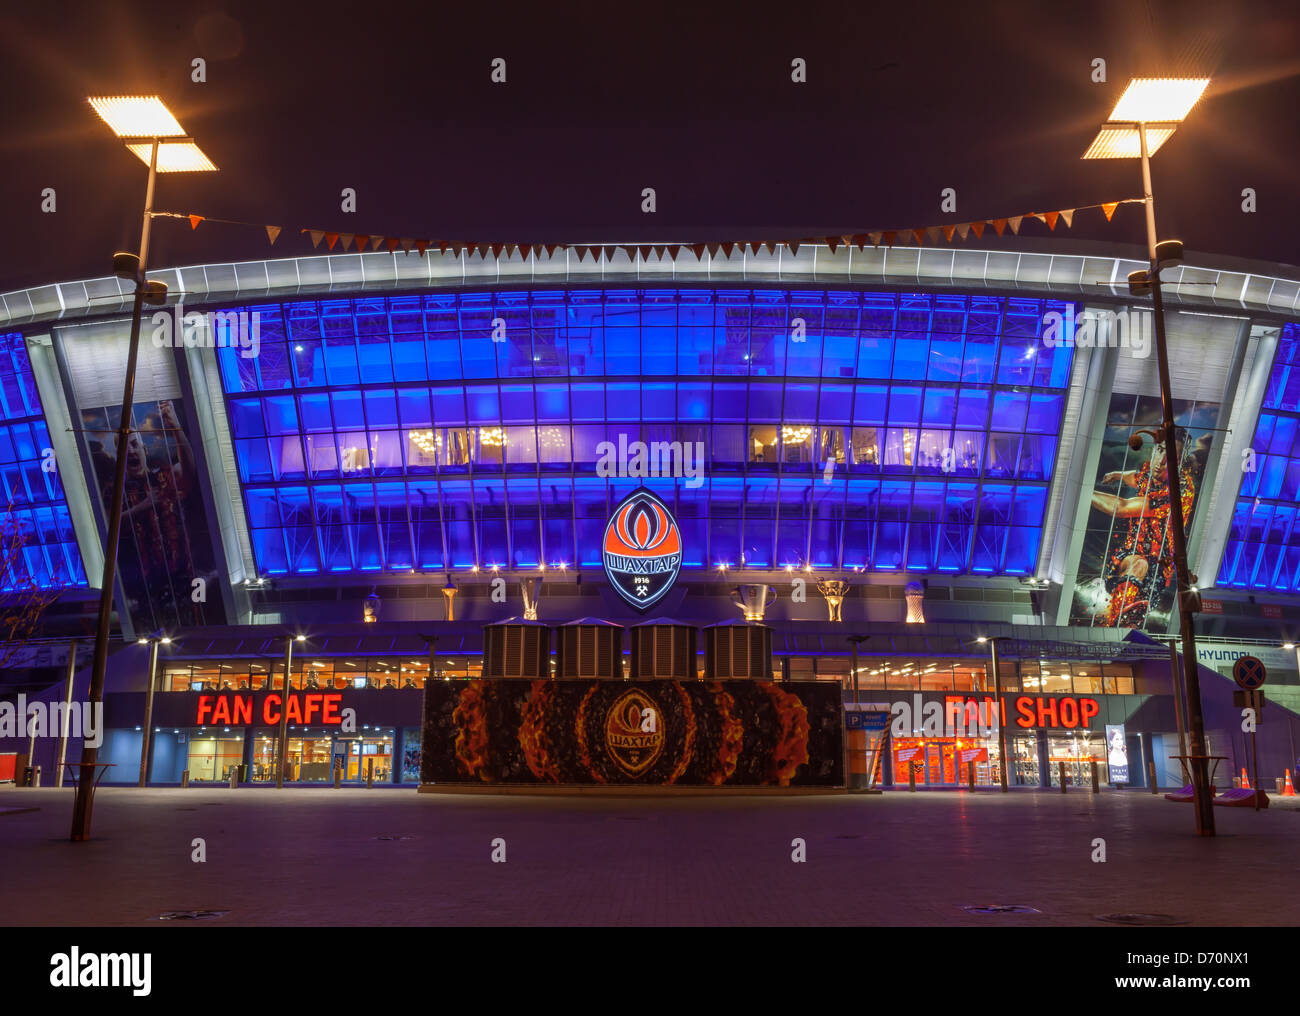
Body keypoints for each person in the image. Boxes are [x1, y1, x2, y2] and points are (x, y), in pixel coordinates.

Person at [1088, 429, 1196, 627]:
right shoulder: (1150, 471)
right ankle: (1116, 618)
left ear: (1180, 463)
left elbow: (1122, 508)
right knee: (1135, 565)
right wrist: (1117, 475)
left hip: (1157, 567)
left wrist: (1084, 492)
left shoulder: (1179, 490)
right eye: (1160, 451)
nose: (1161, 461)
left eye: (1171, 457)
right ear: (1154, 449)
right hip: (1131, 550)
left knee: (1140, 567)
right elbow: (1138, 477)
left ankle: (1117, 624)